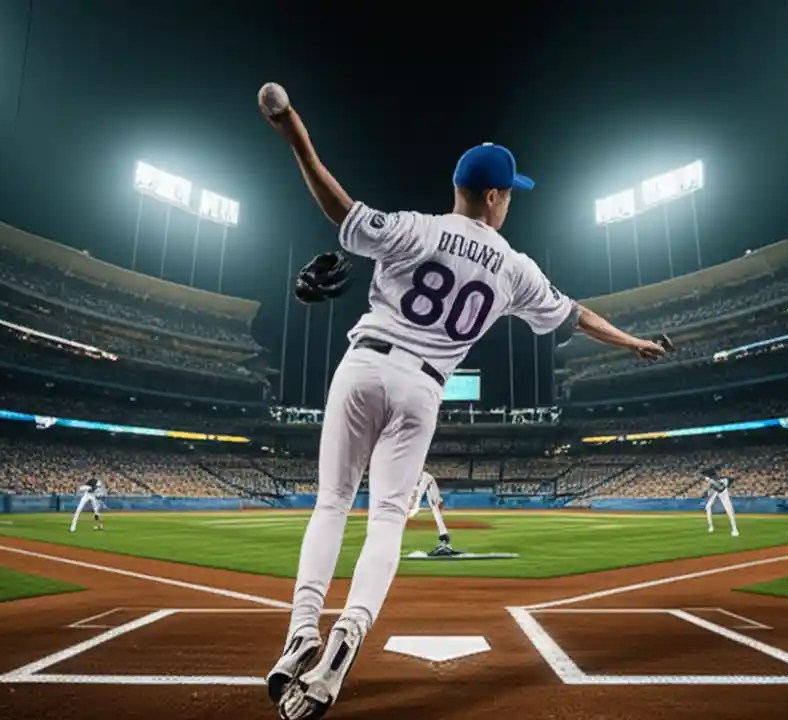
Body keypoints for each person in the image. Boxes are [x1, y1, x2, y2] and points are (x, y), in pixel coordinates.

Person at [261, 94, 668, 720]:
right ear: (496, 197)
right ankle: (347, 637)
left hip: (365, 361)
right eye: (512, 194)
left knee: (332, 503)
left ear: (457, 186)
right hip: (424, 390)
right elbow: (576, 315)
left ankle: (301, 632)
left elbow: (337, 205)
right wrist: (634, 341)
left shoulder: (419, 226)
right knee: (388, 521)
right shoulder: (513, 266)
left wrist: (293, 133)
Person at [407, 470, 455, 556]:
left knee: (434, 506)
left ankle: (444, 540)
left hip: (423, 485)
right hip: (419, 486)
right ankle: (444, 539)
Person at [700, 467, 739, 536]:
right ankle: (711, 526)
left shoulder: (721, 479)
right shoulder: (713, 479)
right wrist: (707, 491)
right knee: (708, 507)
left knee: (729, 510)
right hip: (716, 491)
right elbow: (713, 487)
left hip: (723, 492)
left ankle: (735, 529)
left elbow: (720, 486)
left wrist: (709, 484)